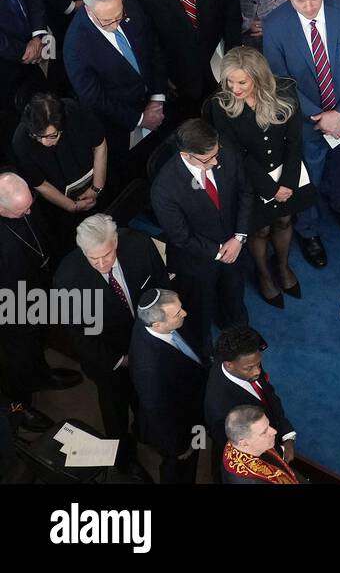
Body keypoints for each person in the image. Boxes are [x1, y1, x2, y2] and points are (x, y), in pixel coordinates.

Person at [261, 0, 340, 265]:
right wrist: (320, 117)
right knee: (307, 178)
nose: (309, 6)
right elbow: (281, 84)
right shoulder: (274, 25)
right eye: (300, 1)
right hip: (305, 121)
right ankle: (308, 229)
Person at [52, 214, 169, 475]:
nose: (103, 263)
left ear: (115, 241)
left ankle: (146, 433)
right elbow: (77, 335)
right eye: (94, 259)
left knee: (148, 396)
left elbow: (161, 284)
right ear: (83, 252)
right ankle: (123, 456)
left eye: (107, 255)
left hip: (148, 345)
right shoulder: (67, 279)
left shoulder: (139, 245)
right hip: (109, 360)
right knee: (114, 409)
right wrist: (119, 361)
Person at [205, 46, 318, 307]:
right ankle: (264, 275)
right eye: (229, 81)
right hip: (250, 180)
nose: (234, 88)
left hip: (288, 173)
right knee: (260, 229)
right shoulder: (220, 105)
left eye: (241, 81)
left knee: (284, 221)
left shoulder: (285, 92)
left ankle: (282, 266)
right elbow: (236, 153)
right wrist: (270, 188)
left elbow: (294, 141)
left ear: (258, 77)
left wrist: (288, 182)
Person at [150, 118, 254, 354]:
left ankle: (240, 339)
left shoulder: (221, 148)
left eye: (217, 154)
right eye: (208, 159)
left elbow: (245, 191)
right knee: (201, 310)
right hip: (196, 261)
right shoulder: (165, 188)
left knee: (235, 297)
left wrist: (238, 238)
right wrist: (219, 251)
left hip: (235, 245)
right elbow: (181, 237)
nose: (216, 161)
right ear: (186, 154)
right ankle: (206, 354)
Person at [0, 173, 81, 436]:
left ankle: (41, 375)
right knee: (17, 359)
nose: (29, 211)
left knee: (38, 340)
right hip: (12, 307)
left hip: (40, 287)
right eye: (21, 210)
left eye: (29, 204)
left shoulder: (25, 205)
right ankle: (19, 408)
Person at [63, 0, 167, 175]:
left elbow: (152, 48)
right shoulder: (75, 46)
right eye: (106, 21)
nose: (114, 24)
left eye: (118, 17)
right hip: (122, 122)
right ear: (89, 11)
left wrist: (158, 96)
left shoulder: (129, 3)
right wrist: (140, 118)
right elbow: (94, 98)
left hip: (156, 99)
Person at [134, 0, 243, 119]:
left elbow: (231, 16)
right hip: (182, 71)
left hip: (218, 52)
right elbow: (152, 40)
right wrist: (163, 78)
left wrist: (234, 59)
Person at [11, 94, 107, 256]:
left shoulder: (73, 111)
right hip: (60, 202)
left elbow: (100, 145)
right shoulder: (22, 140)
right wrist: (71, 206)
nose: (44, 143)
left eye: (51, 136)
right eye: (38, 137)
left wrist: (97, 187)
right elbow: (40, 184)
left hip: (96, 178)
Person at [128, 288, 207, 483]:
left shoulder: (150, 322)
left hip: (191, 400)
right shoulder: (149, 367)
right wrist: (179, 447)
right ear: (157, 324)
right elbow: (158, 411)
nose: (185, 313)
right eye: (178, 314)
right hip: (178, 428)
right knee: (180, 466)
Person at [204, 326, 297, 466]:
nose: (257, 372)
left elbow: (269, 396)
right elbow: (243, 451)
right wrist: (280, 453)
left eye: (258, 364)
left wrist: (287, 434)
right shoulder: (220, 407)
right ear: (229, 365)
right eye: (250, 368)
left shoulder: (248, 361)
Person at [0, 0, 50, 129]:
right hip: (7, 60)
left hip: (39, 34)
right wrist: (24, 51)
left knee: (53, 88)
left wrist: (38, 34)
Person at [220, 406, 299, 483]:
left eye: (268, 425)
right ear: (244, 442)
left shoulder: (236, 440)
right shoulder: (252, 481)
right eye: (264, 432)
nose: (274, 431)